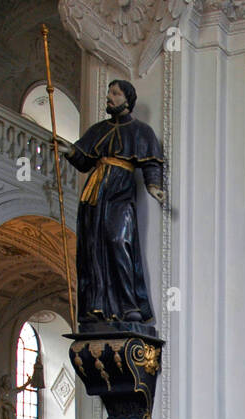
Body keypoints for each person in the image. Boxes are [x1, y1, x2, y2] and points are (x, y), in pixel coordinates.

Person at [60, 79, 166, 327]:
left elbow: (151, 162)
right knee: (93, 247)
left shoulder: (141, 131)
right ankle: (96, 305)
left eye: (115, 93)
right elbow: (85, 159)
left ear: (127, 99)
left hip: (120, 192)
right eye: (109, 92)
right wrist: (70, 151)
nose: (110, 97)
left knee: (119, 241)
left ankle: (129, 305)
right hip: (94, 195)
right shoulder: (98, 130)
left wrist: (154, 186)